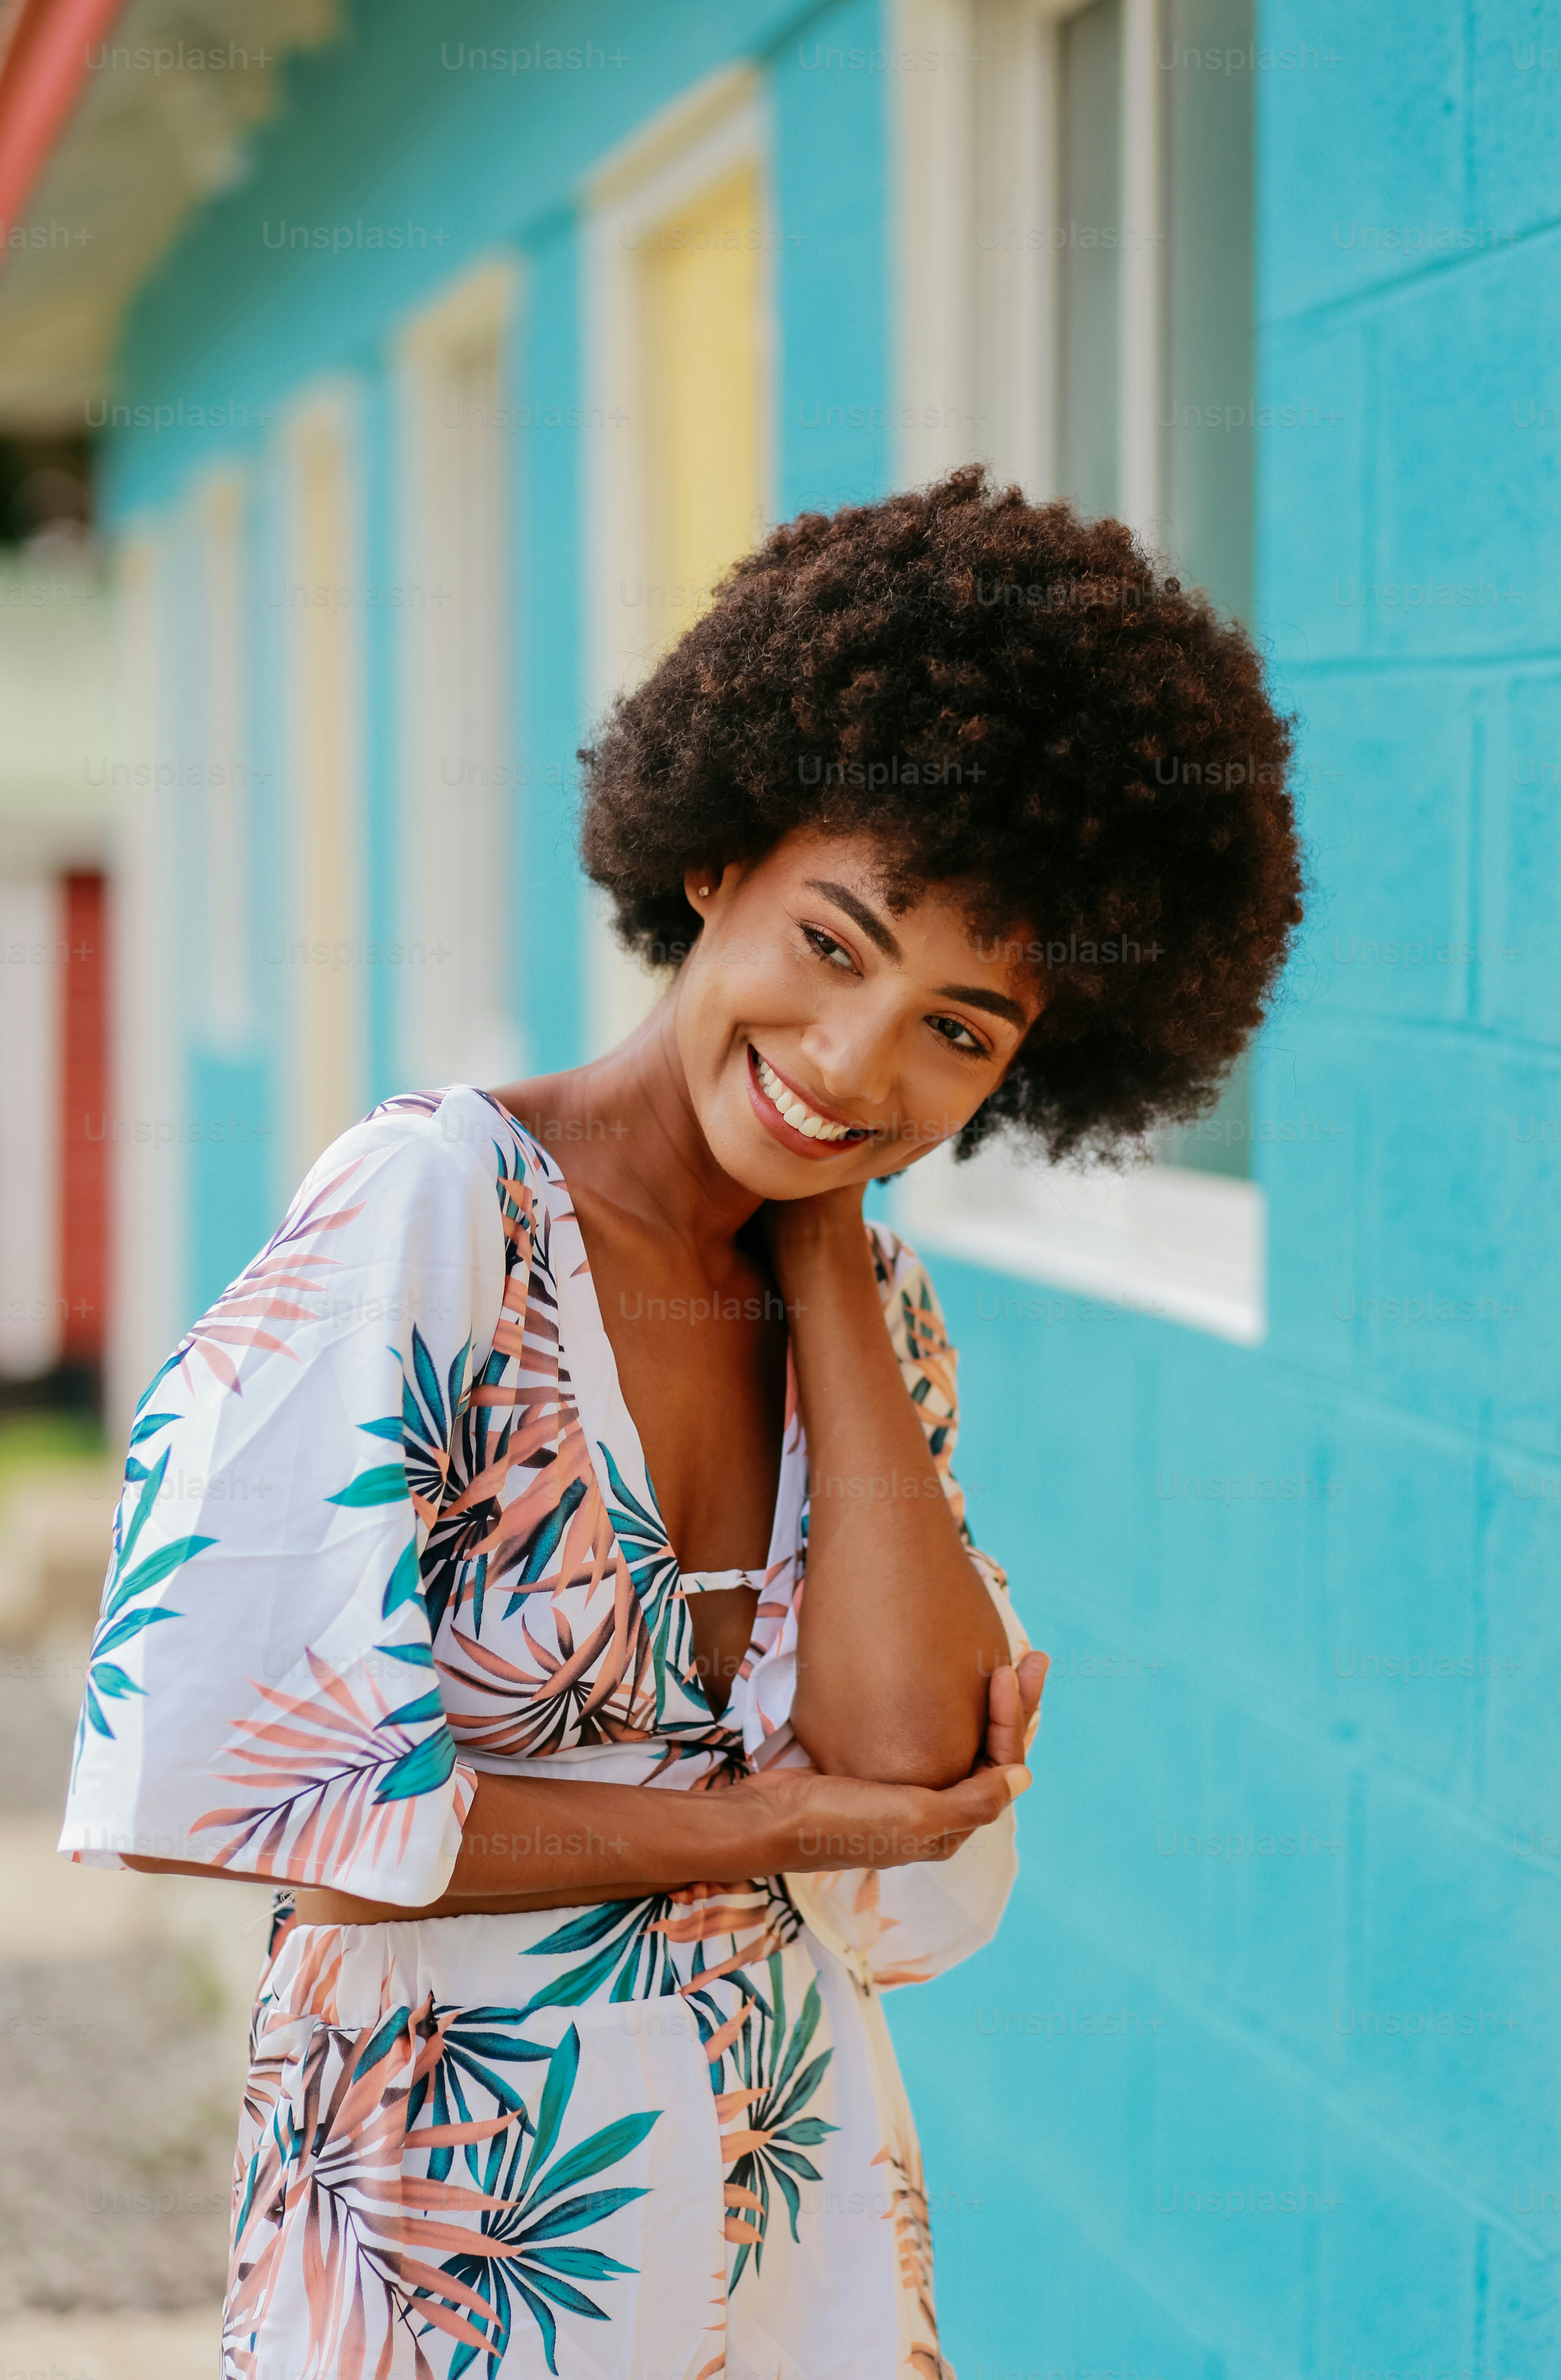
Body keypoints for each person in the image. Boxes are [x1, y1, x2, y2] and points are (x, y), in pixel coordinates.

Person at [60, 466, 1302, 2379]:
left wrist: (818, 1240)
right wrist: (783, 1817)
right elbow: (262, 1797)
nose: (852, 1060)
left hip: (789, 2184)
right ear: (717, 858)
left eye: (960, 1032)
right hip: (461, 2226)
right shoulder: (439, 1208)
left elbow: (908, 1752)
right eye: (835, 942)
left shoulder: (871, 1304)